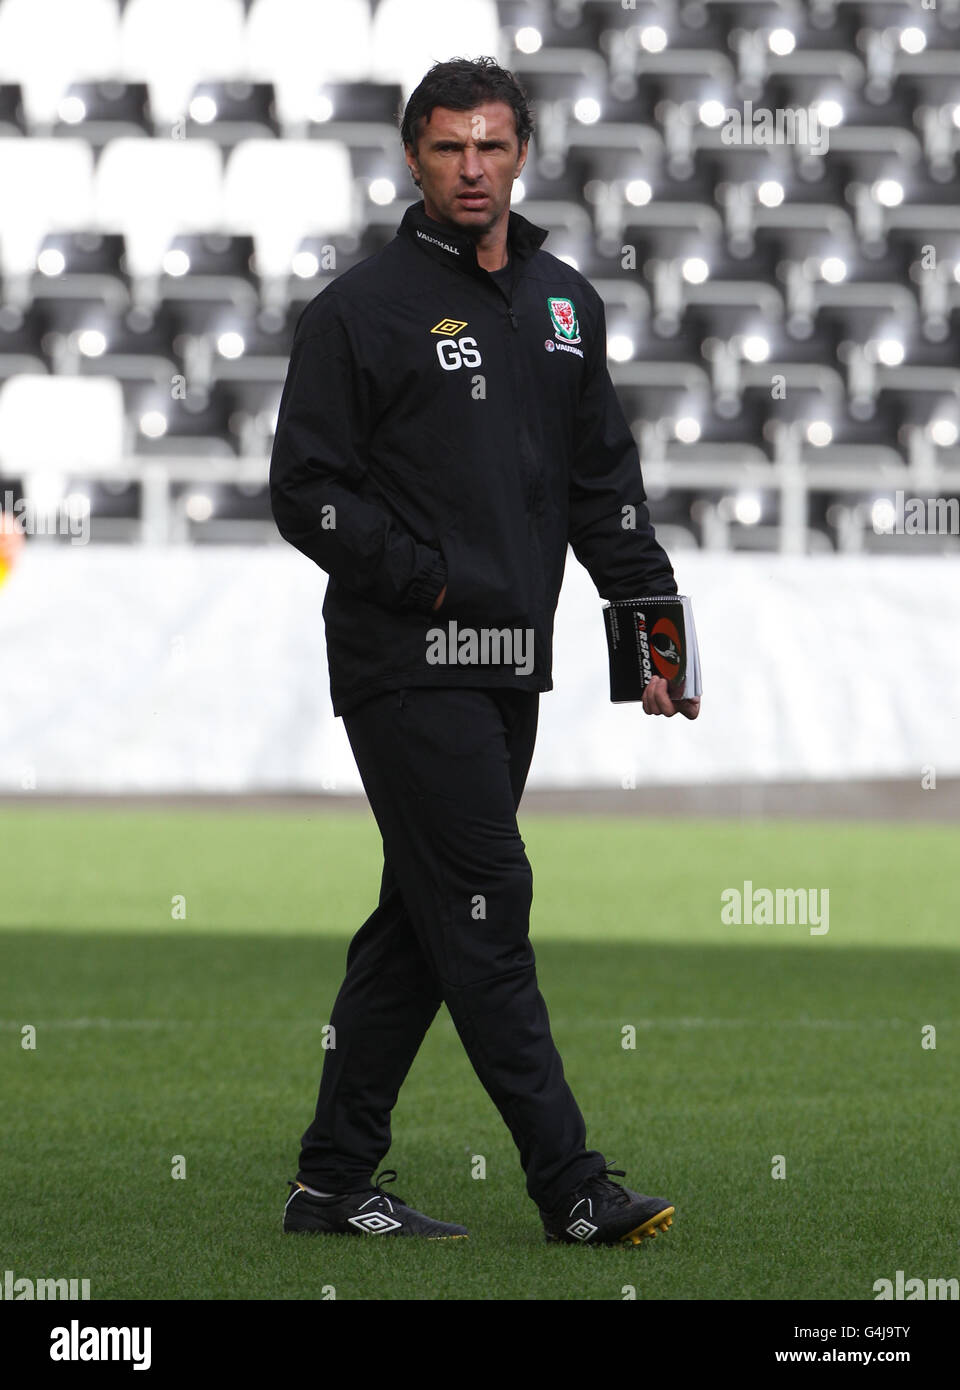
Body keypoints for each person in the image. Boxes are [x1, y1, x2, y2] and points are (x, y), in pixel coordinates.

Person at [270, 56, 699, 1247]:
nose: (473, 167)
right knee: (487, 896)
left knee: (422, 921)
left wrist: (652, 631)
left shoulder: (567, 304)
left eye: (493, 146)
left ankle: (329, 1185)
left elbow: (603, 487)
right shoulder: (358, 311)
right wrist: (428, 578)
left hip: (515, 660)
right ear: (412, 157)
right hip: (405, 663)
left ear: (524, 156)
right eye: (449, 147)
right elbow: (304, 492)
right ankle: (571, 1184)